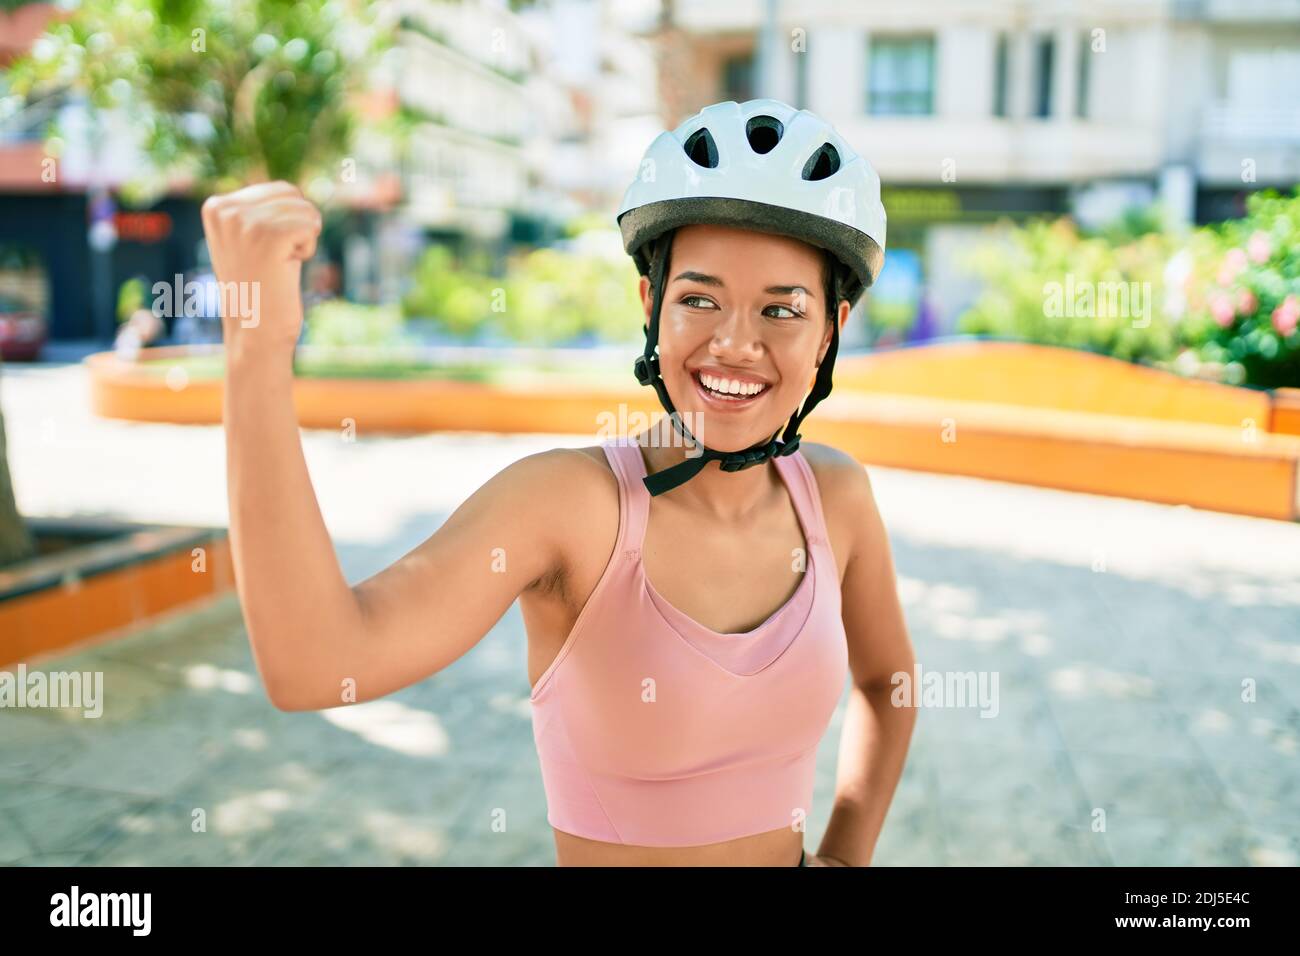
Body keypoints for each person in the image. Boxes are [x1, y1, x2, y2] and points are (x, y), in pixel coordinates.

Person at [203, 98, 916, 867]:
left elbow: (888, 685)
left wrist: (848, 855)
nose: (735, 343)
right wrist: (255, 347)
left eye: (783, 309)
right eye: (699, 299)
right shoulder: (570, 506)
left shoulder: (834, 498)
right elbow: (317, 664)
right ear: (652, 306)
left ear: (832, 332)